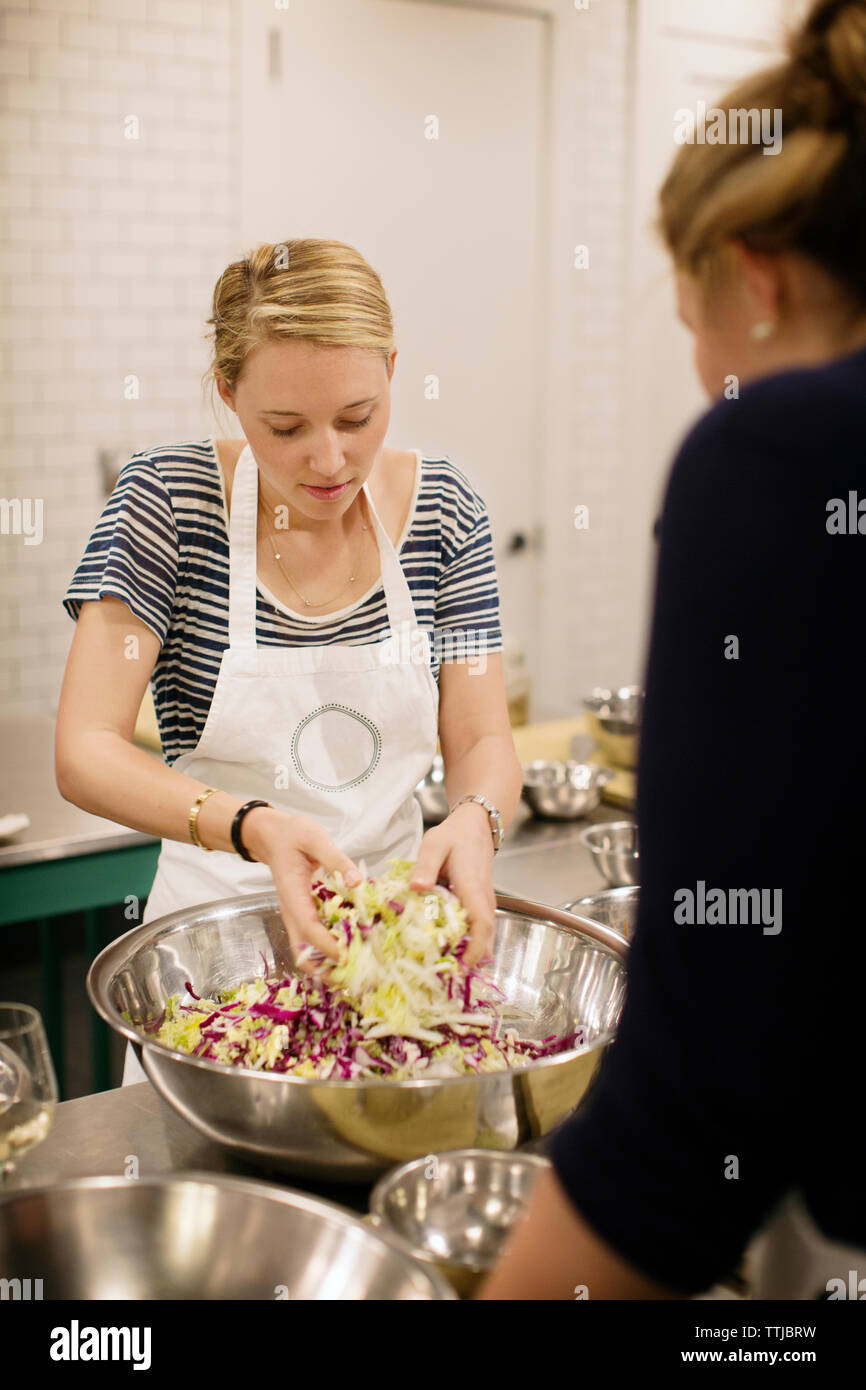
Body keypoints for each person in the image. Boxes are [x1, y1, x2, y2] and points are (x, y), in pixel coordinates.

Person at [480, 0, 866, 1299]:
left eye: (687, 315)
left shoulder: (779, 445)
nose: (698, 366)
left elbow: (702, 1099)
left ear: (751, 274)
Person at [55, 238, 522, 1088]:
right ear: (229, 394)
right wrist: (251, 826)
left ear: (390, 368)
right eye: (286, 428)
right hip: (214, 957)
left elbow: (483, 735)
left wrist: (476, 819)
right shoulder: (168, 500)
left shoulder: (447, 509)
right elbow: (85, 748)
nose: (330, 459)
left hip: (396, 961)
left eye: (356, 417)